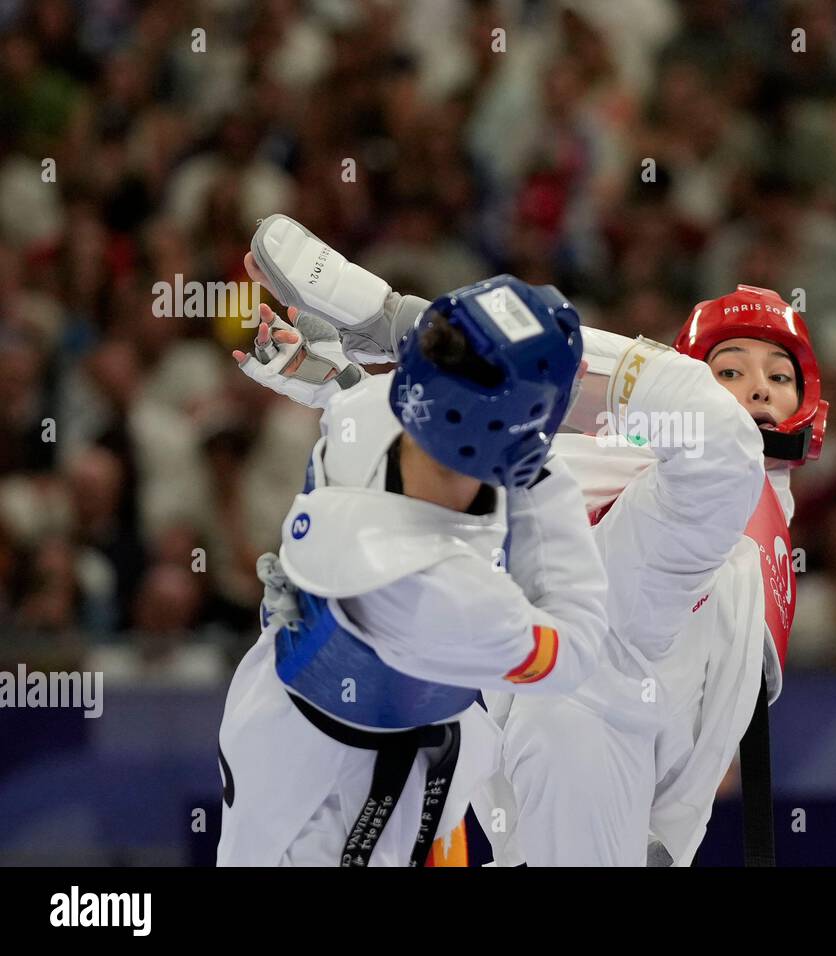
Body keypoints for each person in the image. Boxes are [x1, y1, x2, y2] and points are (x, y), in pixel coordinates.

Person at [241, 216, 828, 865]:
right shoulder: (654, 461)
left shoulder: (758, 520)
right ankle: (415, 328)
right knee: (704, 449)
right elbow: (508, 459)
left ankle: (419, 338)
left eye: (780, 376)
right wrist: (354, 393)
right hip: (573, 689)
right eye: (731, 369)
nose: (758, 386)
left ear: (810, 404)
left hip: (612, 731)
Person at [215, 273, 610, 866]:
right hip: (352, 798)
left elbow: (365, 399)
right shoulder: (446, 590)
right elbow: (574, 650)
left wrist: (338, 376)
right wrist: (539, 465)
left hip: (286, 719)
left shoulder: (367, 408)